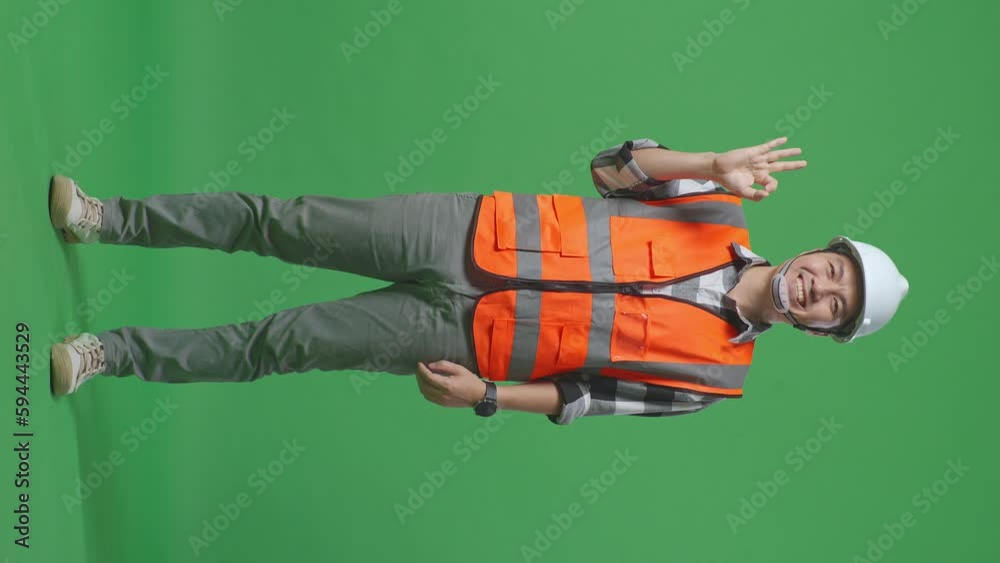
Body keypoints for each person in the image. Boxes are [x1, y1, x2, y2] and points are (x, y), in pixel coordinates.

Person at [48, 136, 909, 425]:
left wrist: (488, 396)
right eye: (834, 271)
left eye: (836, 306)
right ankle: (104, 217)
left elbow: (585, 396)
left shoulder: (713, 382)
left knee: (284, 343)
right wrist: (711, 161)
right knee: (285, 222)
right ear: (820, 250)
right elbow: (612, 168)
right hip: (466, 230)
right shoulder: (716, 203)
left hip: (465, 339)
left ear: (822, 329)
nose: (820, 288)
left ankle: (107, 354)